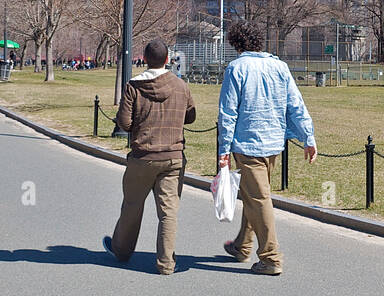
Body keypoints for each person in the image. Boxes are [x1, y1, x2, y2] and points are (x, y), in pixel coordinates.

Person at [217, 21, 316, 275]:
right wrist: (308, 137)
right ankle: (241, 245)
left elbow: (228, 113)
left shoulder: (236, 68)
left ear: (237, 43)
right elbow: (296, 104)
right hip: (273, 143)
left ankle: (271, 258)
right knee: (254, 196)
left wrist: (223, 151)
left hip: (247, 144)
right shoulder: (279, 66)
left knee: (260, 200)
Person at [104, 39, 196, 275]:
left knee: (132, 206)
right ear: (168, 60)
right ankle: (166, 263)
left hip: (143, 156)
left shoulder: (134, 86)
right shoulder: (181, 85)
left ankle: (122, 250)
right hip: (173, 156)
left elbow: (124, 123)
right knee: (169, 212)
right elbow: (191, 117)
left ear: (145, 59)